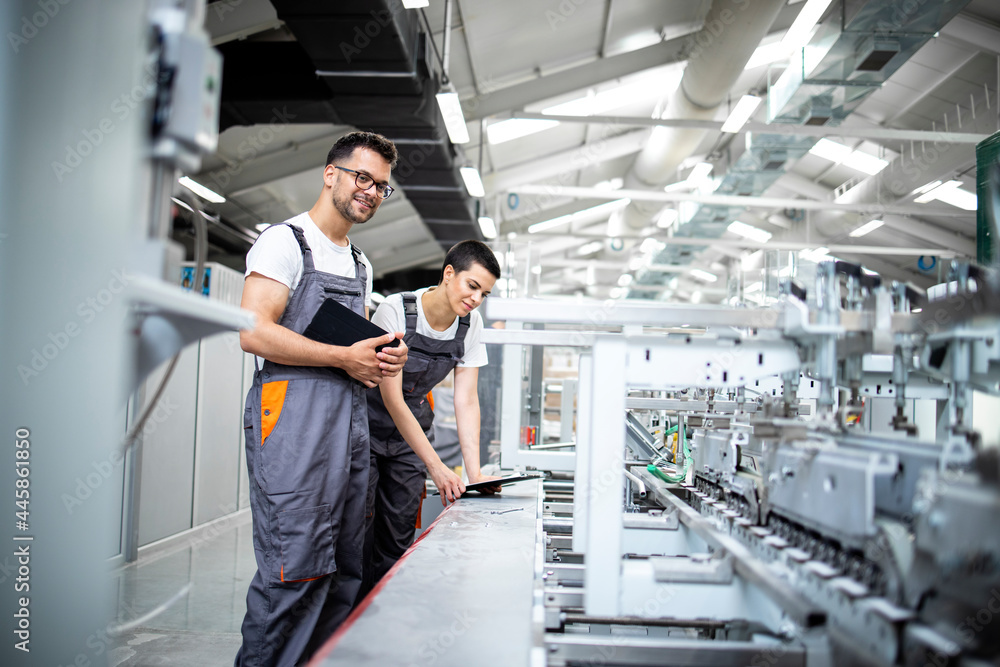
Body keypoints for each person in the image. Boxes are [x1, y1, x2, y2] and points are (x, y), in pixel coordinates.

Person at [235, 131, 408, 667]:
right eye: (363, 178)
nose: (371, 192)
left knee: (343, 571)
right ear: (330, 173)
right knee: (293, 571)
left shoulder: (360, 263)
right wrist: (342, 358)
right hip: (293, 425)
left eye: (381, 186)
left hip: (348, 429)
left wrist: (382, 358)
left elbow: (354, 351)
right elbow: (252, 331)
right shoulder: (285, 242)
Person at [360, 240, 502, 597]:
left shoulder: (470, 325)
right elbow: (392, 399)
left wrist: (474, 474)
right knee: (357, 533)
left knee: (398, 534)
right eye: (472, 286)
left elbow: (466, 400)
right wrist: (436, 467)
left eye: (484, 294)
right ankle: (344, 623)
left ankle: (383, 615)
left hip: (410, 438)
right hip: (366, 429)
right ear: (449, 273)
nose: (476, 299)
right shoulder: (396, 310)